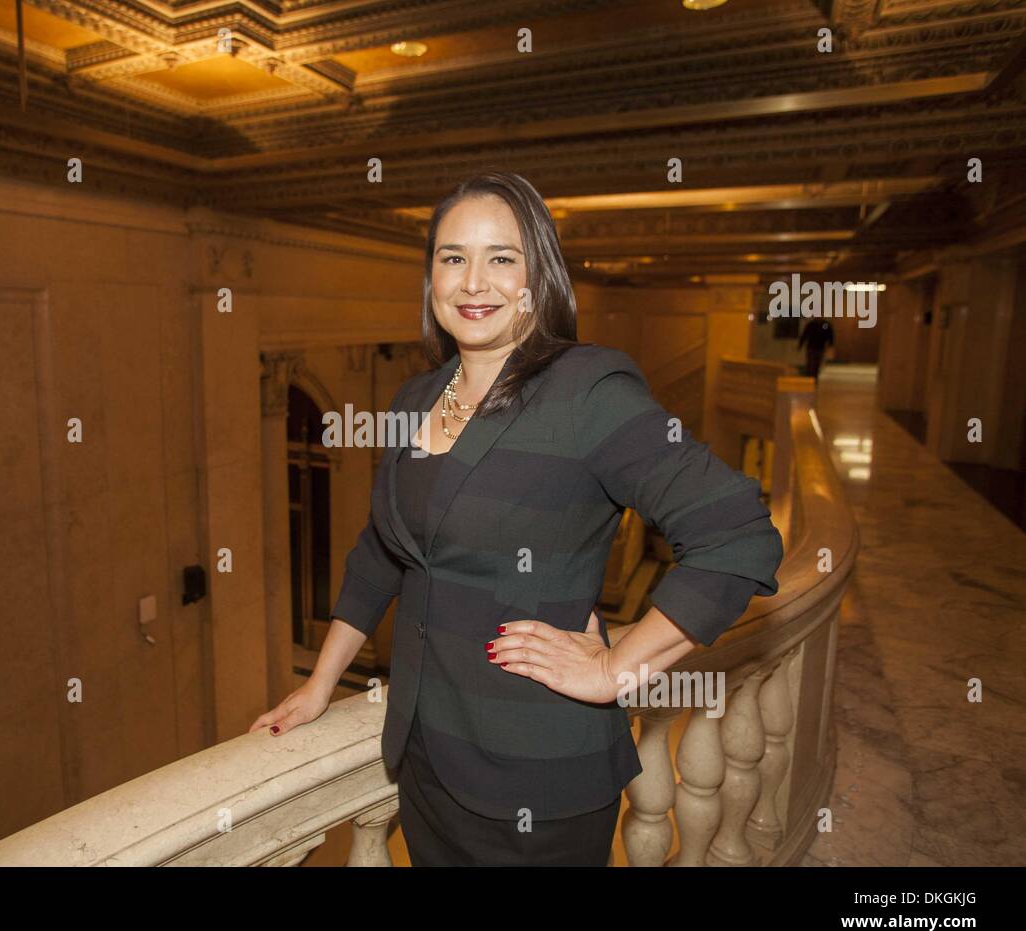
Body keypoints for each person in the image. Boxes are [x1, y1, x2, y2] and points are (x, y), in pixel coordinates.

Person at [250, 171, 783, 866]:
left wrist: (617, 668)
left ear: (541, 277)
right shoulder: (415, 399)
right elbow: (384, 549)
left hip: (540, 776)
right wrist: (323, 681)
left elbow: (737, 536)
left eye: (502, 258)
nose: (474, 282)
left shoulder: (587, 392)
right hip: (426, 761)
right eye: (452, 258)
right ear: (431, 278)